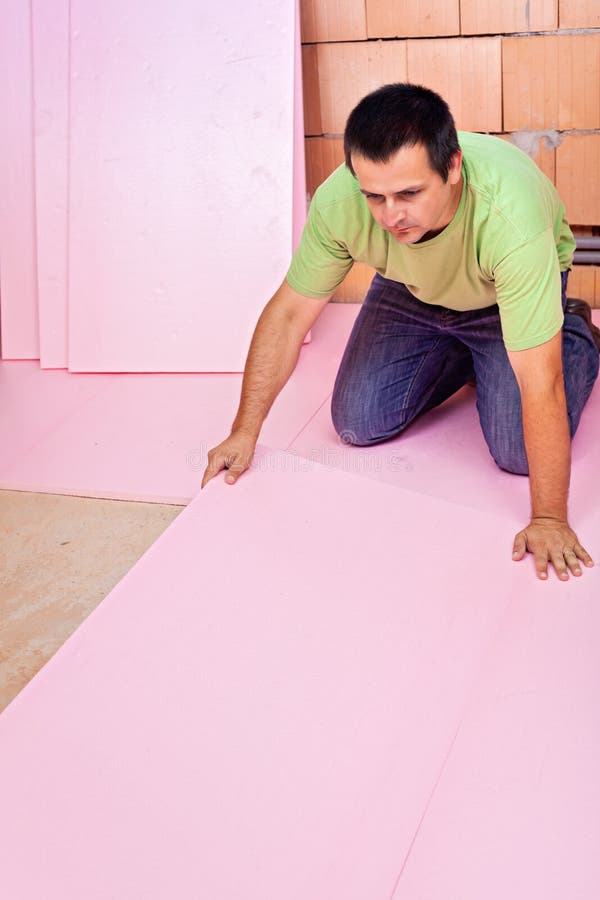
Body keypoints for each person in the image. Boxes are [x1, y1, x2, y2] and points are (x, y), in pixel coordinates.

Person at [202, 83, 600, 582]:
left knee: (517, 453)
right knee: (356, 423)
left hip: (500, 295)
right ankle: (467, 354)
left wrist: (548, 519)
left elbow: (540, 382)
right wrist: (244, 431)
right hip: (413, 290)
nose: (391, 216)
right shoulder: (340, 203)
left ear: (452, 168)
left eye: (410, 194)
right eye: (375, 196)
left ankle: (575, 331)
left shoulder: (508, 218)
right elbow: (288, 315)